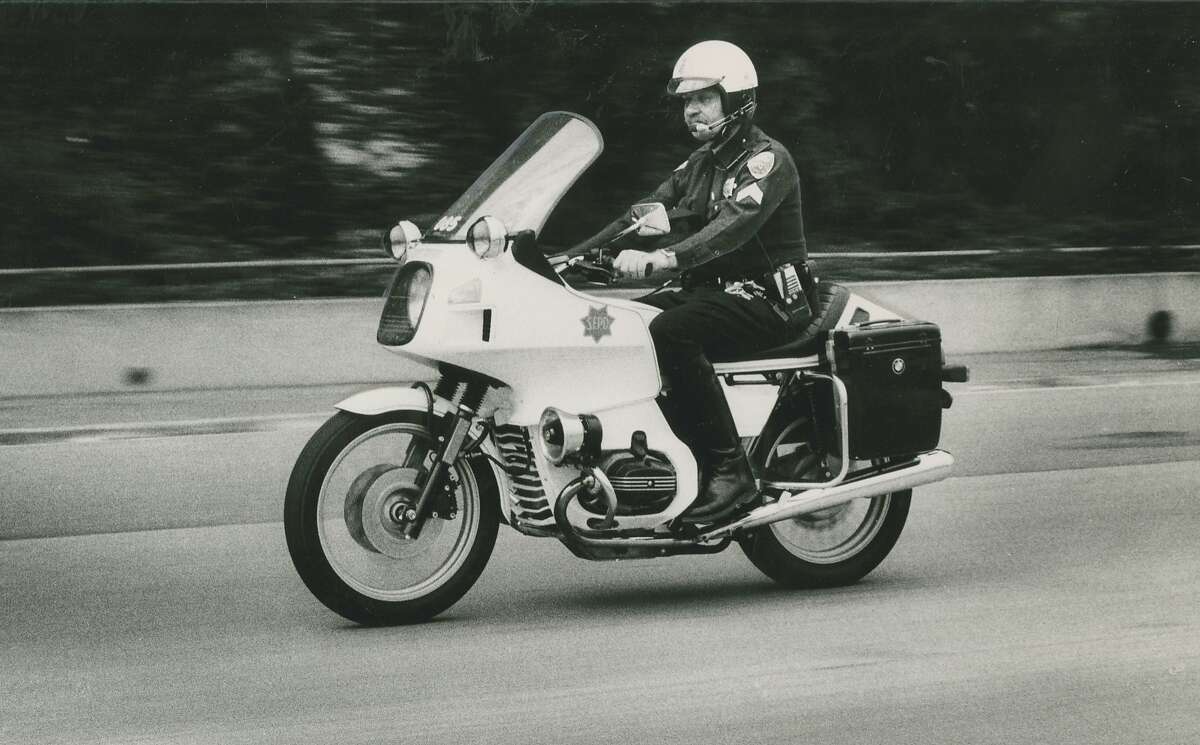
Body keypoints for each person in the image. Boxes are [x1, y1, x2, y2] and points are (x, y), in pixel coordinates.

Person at [571, 40, 814, 523]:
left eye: (703, 98)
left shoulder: (768, 161)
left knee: (670, 332)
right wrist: (573, 256)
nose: (691, 110)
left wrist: (663, 258)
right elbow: (639, 217)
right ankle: (649, 456)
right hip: (714, 293)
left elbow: (727, 231)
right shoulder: (700, 165)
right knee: (620, 323)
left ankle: (730, 472)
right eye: (686, 100)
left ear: (737, 99)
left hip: (770, 298)